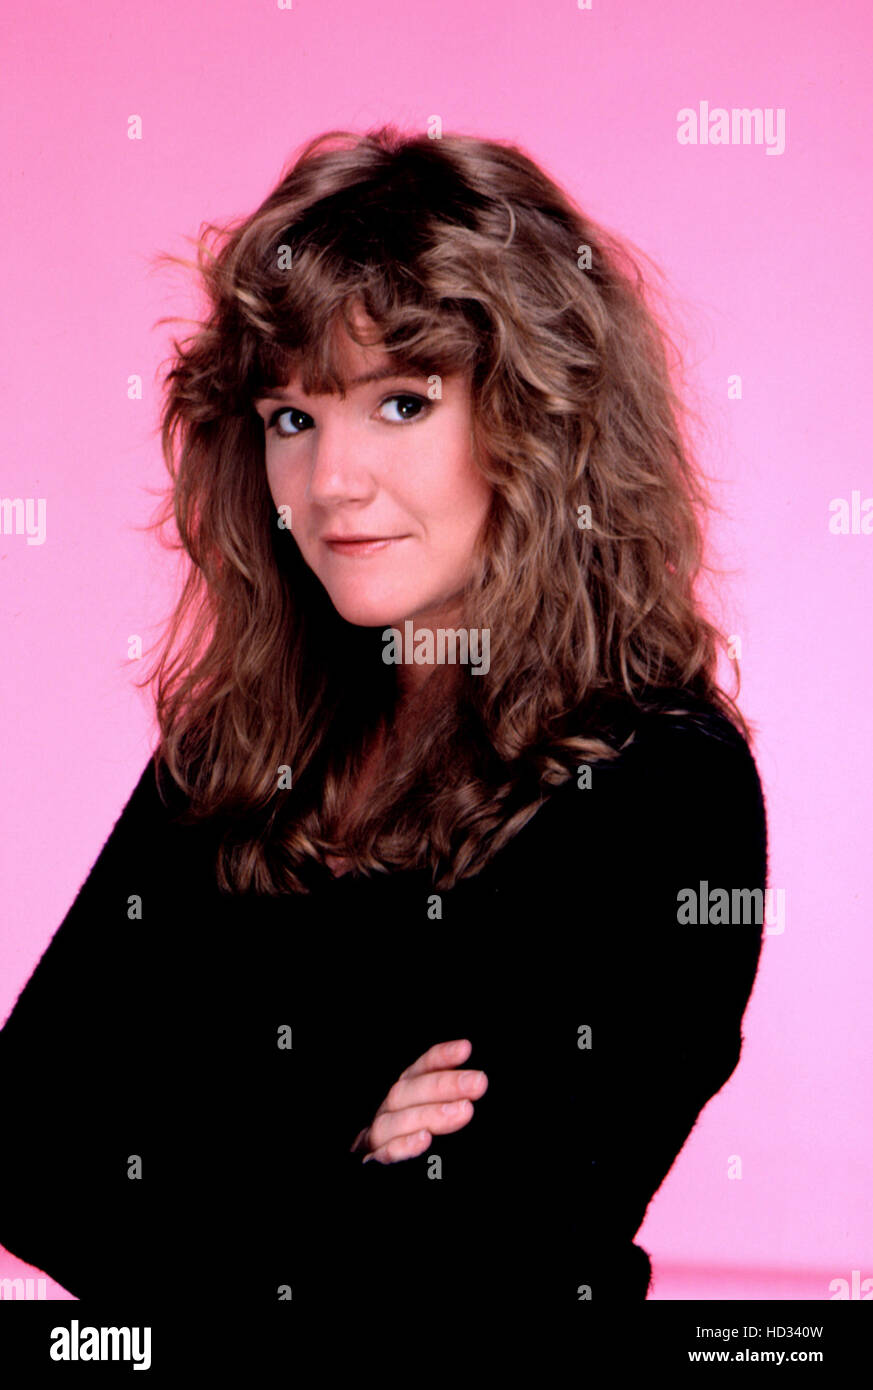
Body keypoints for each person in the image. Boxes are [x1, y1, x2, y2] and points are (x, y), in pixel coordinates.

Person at [0, 126, 768, 1314]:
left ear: (542, 424)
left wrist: (204, 1155)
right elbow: (29, 1148)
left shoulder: (662, 783)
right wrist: (344, 1148)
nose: (330, 483)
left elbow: (464, 1263)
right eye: (291, 416)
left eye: (401, 403)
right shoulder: (242, 745)